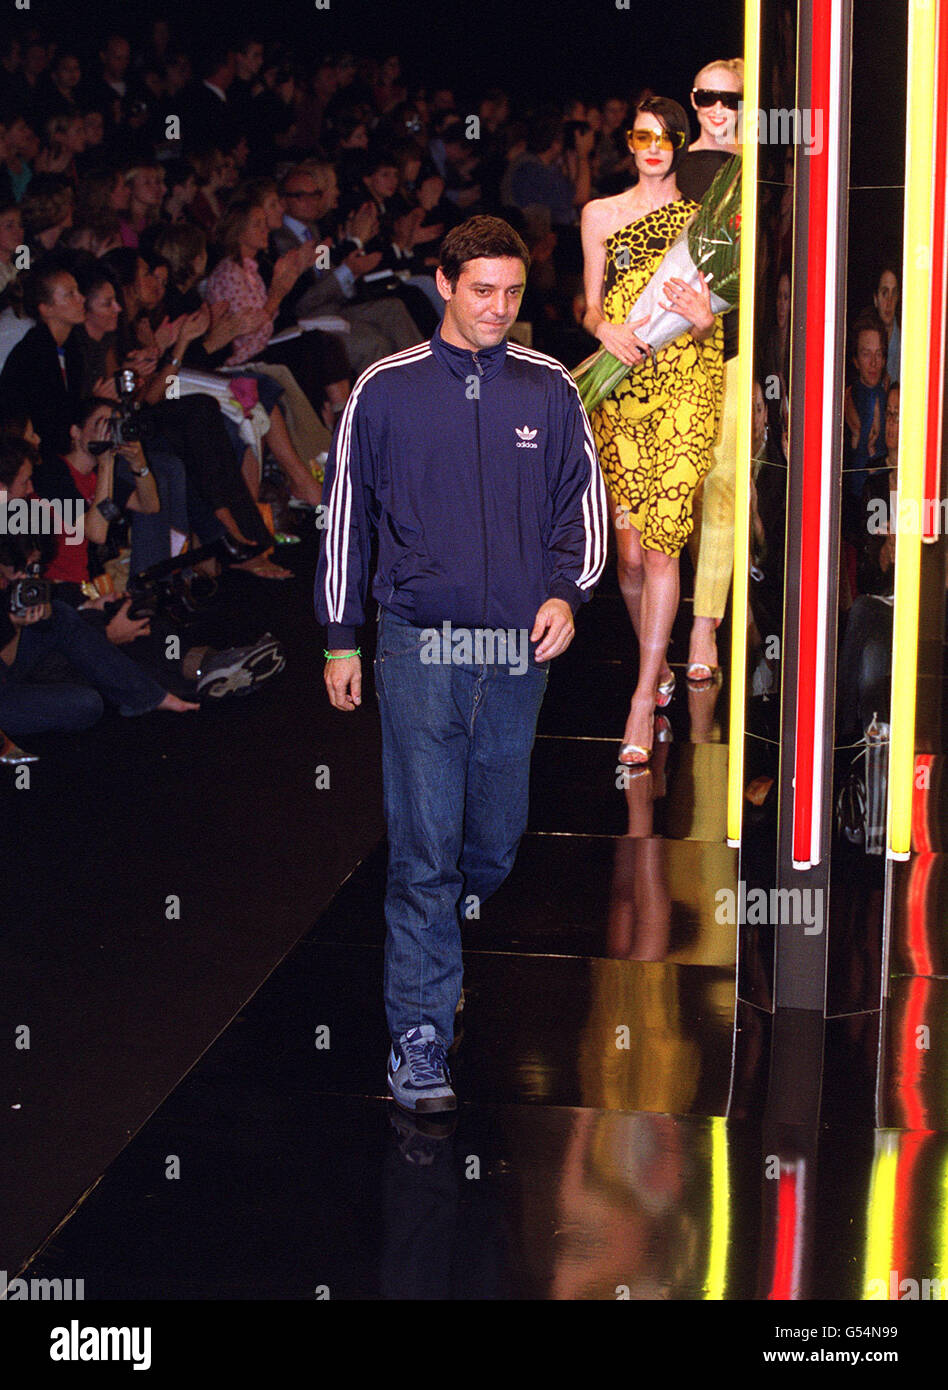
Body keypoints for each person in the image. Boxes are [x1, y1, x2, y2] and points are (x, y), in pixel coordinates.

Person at [315, 215, 608, 1113]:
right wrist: (340, 635)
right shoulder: (386, 390)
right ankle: (421, 1034)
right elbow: (347, 517)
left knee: (493, 841)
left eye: (513, 292)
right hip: (417, 646)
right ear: (443, 284)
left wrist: (566, 593)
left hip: (518, 649)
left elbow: (583, 511)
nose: (498, 308)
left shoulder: (550, 386)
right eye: (481, 289)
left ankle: (442, 933)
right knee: (426, 848)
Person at [581, 96, 723, 764]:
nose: (655, 146)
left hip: (687, 384)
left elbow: (710, 318)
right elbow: (589, 305)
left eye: (668, 136)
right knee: (631, 555)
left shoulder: (704, 222)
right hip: (623, 385)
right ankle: (657, 663)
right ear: (629, 143)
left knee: (663, 545)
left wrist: (701, 317)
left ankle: (641, 700)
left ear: (679, 142)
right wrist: (602, 327)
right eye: (643, 135)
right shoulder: (598, 215)